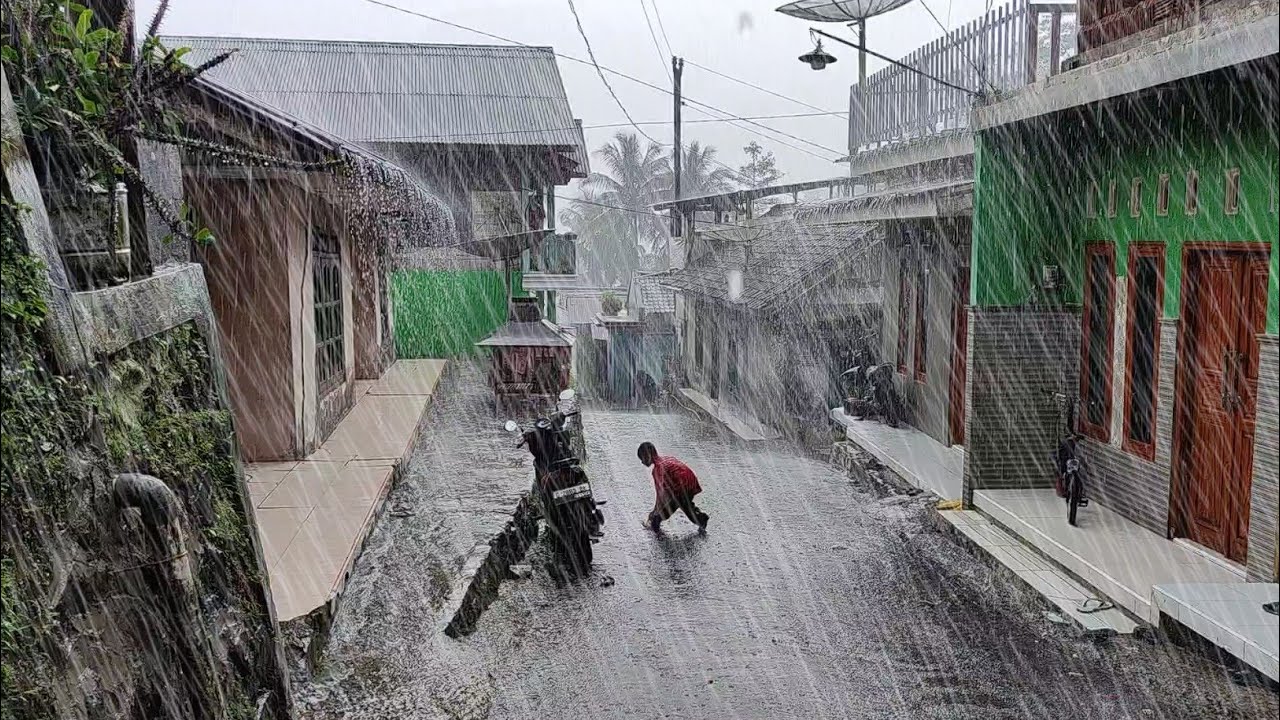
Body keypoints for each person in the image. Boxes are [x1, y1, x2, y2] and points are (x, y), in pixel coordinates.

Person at [637, 442, 709, 533]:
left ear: (648, 455)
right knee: (685, 505)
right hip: (690, 481)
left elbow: (661, 494)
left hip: (681, 487)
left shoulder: (658, 469)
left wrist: (655, 511)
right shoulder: (666, 459)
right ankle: (700, 518)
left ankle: (657, 530)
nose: (642, 462)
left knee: (661, 515)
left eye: (642, 458)